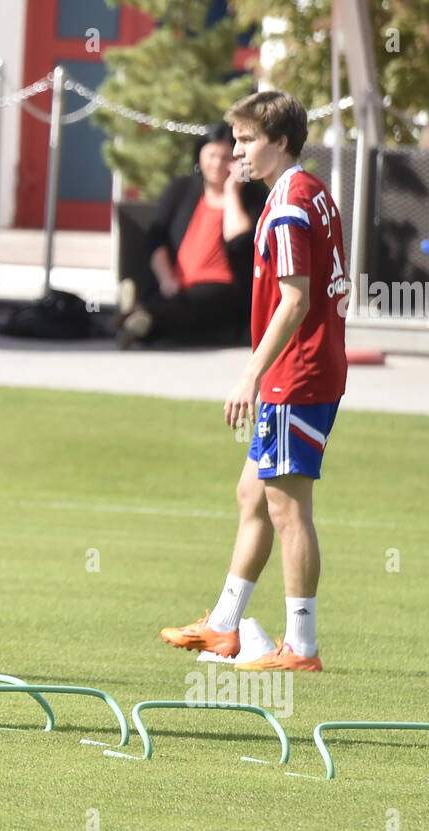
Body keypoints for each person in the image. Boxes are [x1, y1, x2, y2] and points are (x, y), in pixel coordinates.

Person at [157, 91, 348, 672]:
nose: (235, 150)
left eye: (245, 140)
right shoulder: (306, 191)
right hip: (300, 371)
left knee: (289, 510)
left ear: (281, 142)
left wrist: (250, 373)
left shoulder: (290, 203)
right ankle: (223, 627)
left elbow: (295, 300)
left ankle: (302, 648)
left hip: (298, 375)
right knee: (252, 494)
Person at [117, 123, 268, 348]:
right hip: (177, 282)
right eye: (212, 155)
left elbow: (240, 241)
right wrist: (166, 278)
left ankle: (136, 316)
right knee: (174, 304)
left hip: (224, 286)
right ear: (200, 155)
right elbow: (156, 238)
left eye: (226, 157)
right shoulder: (180, 190)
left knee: (192, 306)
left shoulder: (253, 197)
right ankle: (140, 320)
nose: (217, 163)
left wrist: (232, 191)